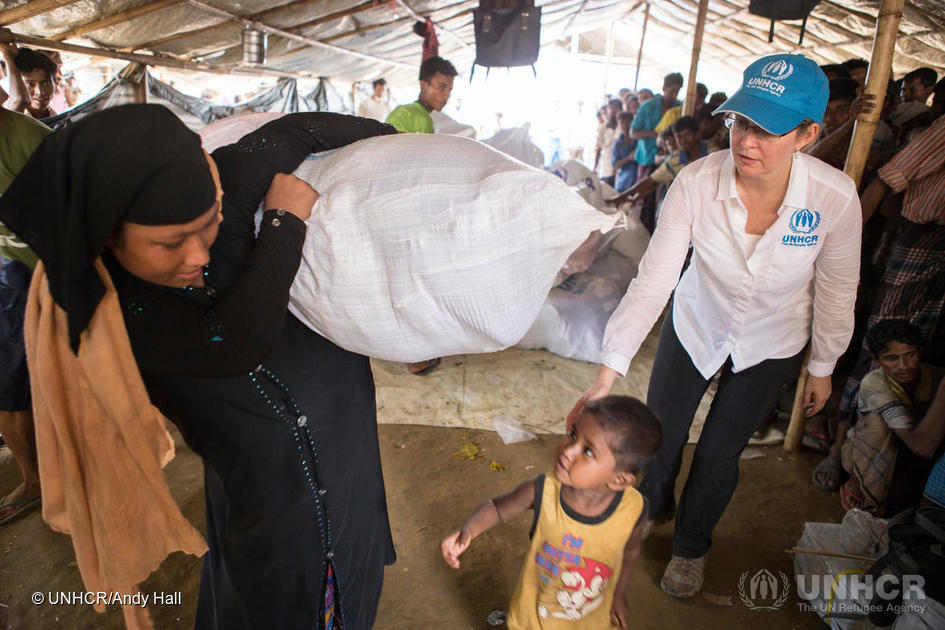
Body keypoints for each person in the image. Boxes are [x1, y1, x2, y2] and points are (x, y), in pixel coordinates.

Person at [0, 104, 399, 629]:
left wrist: (393, 141)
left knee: (354, 571)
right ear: (110, 235)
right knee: (277, 603)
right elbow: (233, 344)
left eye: (208, 224)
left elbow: (298, 130)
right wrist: (283, 223)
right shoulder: (109, 310)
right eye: (168, 243)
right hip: (271, 495)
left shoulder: (217, 182)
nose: (198, 255)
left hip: (347, 459)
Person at [570, 53, 861, 598]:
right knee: (661, 435)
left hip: (774, 340)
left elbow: (838, 288)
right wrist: (609, 373)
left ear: (807, 135)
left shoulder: (833, 200)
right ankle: (648, 512)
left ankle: (690, 546)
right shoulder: (696, 183)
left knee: (718, 453)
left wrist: (822, 366)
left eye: (768, 130)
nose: (747, 142)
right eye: (741, 122)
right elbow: (654, 280)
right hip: (697, 323)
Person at [440, 396, 661, 629]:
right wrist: (469, 529)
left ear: (619, 480)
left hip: (590, 620)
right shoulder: (542, 490)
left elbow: (630, 550)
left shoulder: (634, 510)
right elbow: (497, 507)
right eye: (573, 435)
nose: (568, 450)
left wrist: (618, 593)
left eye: (587, 451)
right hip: (533, 618)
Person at [0, 106, 51, 526]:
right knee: (8, 383)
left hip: (56, 268)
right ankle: (33, 480)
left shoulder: (29, 140)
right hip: (10, 269)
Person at [840, 320, 945, 515]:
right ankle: (860, 488)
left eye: (910, 355)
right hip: (871, 453)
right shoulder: (874, 384)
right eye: (892, 358)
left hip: (911, 450)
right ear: (877, 360)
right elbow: (921, 447)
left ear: (920, 352)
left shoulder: (935, 376)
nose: (903, 366)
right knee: (878, 426)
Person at [630, 72, 683, 232]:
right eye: (671, 91)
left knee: (660, 199)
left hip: (666, 160)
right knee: (643, 197)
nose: (674, 95)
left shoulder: (679, 108)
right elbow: (633, 132)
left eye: (677, 91)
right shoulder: (648, 106)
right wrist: (652, 134)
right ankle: (638, 231)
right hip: (647, 157)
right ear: (664, 88)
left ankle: (653, 232)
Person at [386, 55, 457, 134]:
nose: (447, 95)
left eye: (450, 90)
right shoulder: (404, 114)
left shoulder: (439, 121)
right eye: (441, 87)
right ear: (423, 85)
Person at [1, 44, 58, 119]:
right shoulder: (7, 115)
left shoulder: (57, 118)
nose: (40, 92)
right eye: (30, 84)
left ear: (55, 83)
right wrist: (7, 55)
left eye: (46, 84)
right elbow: (20, 100)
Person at [595, 98, 623, 187]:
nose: (613, 111)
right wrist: (594, 167)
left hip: (620, 169)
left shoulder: (624, 127)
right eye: (611, 108)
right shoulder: (603, 128)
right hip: (605, 168)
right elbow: (598, 149)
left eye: (615, 108)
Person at [611, 111, 636, 192]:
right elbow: (615, 165)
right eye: (622, 123)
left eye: (628, 122)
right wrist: (628, 158)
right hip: (623, 184)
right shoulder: (617, 144)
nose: (625, 125)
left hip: (639, 182)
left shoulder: (639, 140)